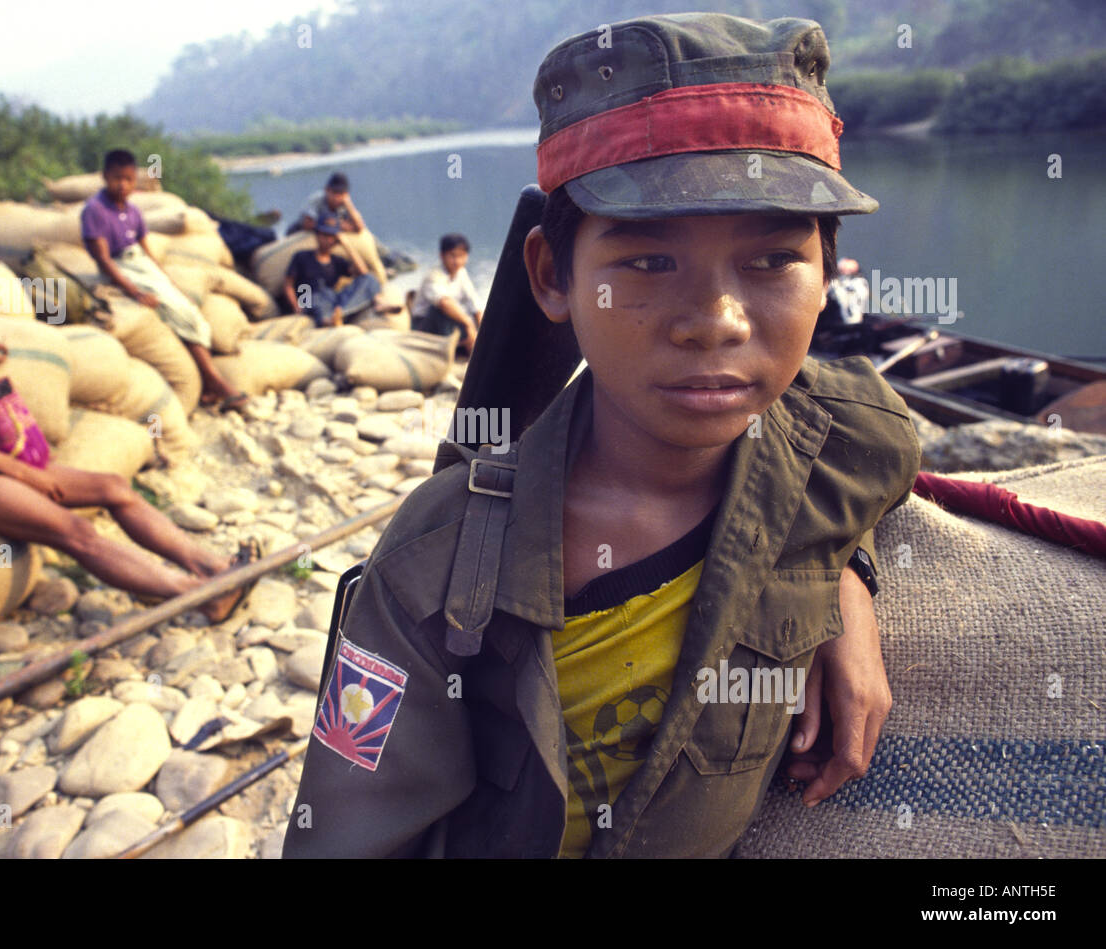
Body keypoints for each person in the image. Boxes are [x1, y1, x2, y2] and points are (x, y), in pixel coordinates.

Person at [284, 12, 920, 858]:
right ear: (553, 277)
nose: (717, 321)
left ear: (826, 269)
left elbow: (877, 454)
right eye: (650, 262)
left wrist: (847, 575)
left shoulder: (845, 429)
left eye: (771, 260)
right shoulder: (437, 564)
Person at [0, 224, 254, 624]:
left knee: (113, 488)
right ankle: (201, 597)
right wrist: (23, 472)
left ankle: (213, 567)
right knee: (72, 532)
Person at [81, 149, 247, 412]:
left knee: (189, 310)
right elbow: (103, 260)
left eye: (128, 179)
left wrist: (165, 279)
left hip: (141, 264)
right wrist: (135, 292)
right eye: (116, 179)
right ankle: (214, 381)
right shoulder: (95, 211)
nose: (122, 185)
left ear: (135, 180)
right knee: (172, 311)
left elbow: (146, 250)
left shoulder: (133, 210)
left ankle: (209, 379)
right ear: (104, 177)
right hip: (121, 266)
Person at [283, 214, 382, 327]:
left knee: (369, 279)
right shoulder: (302, 256)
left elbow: (363, 273)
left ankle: (341, 314)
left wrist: (346, 245)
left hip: (332, 298)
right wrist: (296, 307)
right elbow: (288, 284)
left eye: (331, 236)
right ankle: (328, 320)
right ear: (317, 235)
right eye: (324, 235)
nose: (328, 240)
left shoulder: (337, 261)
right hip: (308, 296)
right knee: (317, 298)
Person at [413, 233, 483, 353]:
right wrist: (469, 324)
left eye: (461, 256)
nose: (457, 261)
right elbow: (444, 303)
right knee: (441, 310)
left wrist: (482, 331)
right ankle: (449, 349)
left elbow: (474, 302)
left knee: (475, 318)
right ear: (442, 256)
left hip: (450, 323)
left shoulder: (461, 273)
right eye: (452, 256)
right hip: (425, 325)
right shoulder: (434, 275)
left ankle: (470, 345)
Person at [295, 172, 365, 235]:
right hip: (301, 229)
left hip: (332, 232)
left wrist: (336, 224)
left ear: (346, 194)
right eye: (335, 192)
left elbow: (359, 227)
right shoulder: (317, 199)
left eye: (341, 193)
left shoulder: (345, 203)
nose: (337, 197)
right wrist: (327, 224)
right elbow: (307, 224)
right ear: (327, 190)